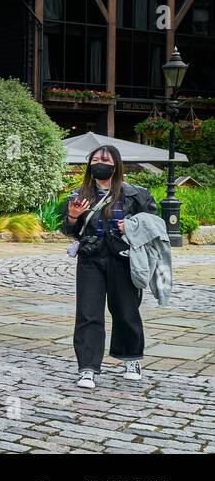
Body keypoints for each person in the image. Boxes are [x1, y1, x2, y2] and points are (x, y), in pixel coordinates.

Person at [63, 144, 157, 389]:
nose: (99, 162)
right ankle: (88, 368)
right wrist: (73, 216)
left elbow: (155, 226)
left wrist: (133, 227)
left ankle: (131, 359)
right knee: (88, 313)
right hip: (90, 257)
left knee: (126, 310)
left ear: (116, 164)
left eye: (104, 158)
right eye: (95, 159)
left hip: (124, 257)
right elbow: (69, 230)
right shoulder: (80, 194)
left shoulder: (136, 194)